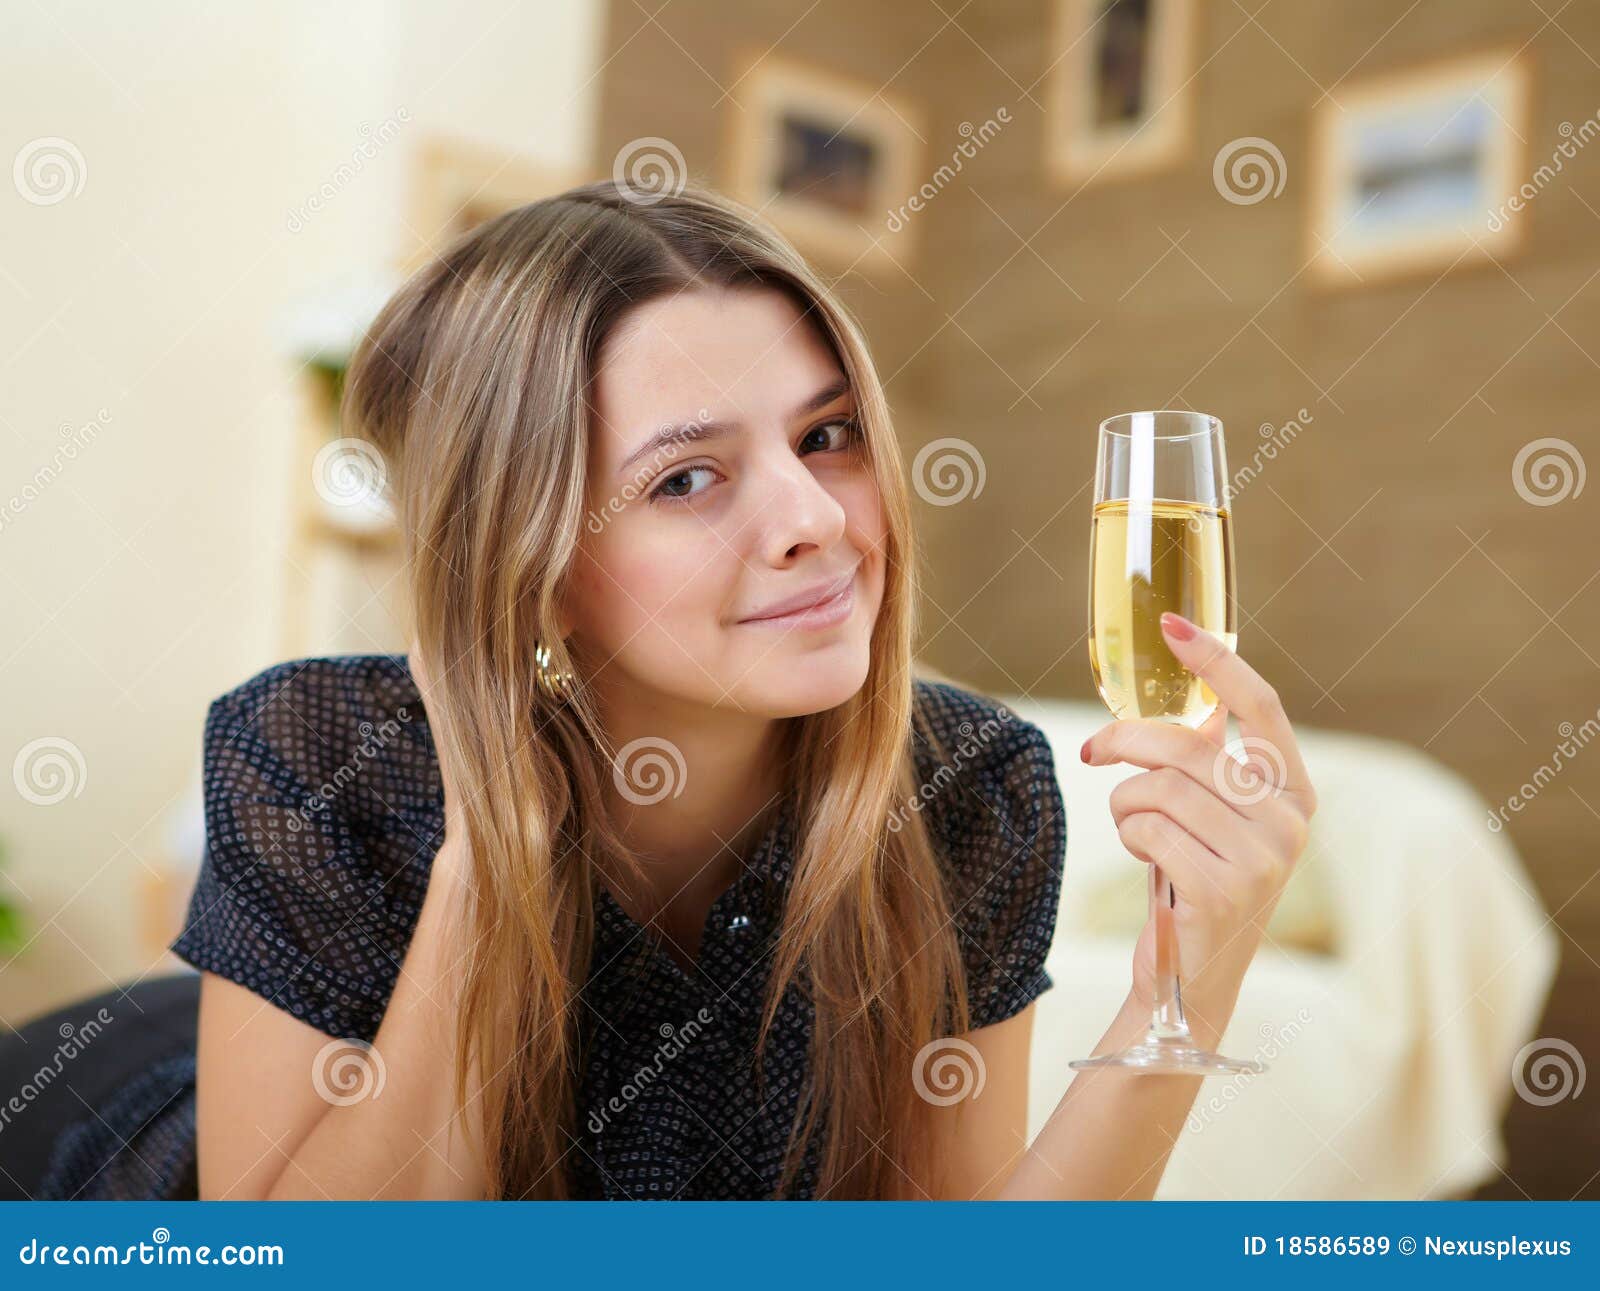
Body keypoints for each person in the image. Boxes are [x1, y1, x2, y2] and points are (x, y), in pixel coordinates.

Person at [9, 178, 1315, 1201]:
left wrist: (1185, 981)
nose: (816, 518)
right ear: (531, 562)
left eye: (828, 435)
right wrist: (493, 857)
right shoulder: (320, 756)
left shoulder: (969, 787)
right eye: (689, 478)